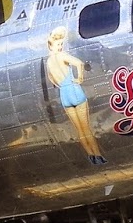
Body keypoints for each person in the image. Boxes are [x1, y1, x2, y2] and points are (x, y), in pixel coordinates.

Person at [45, 26, 106, 165]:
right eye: (58, 44)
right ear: (52, 45)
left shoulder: (48, 62)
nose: (60, 47)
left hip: (64, 94)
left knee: (79, 130)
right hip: (74, 90)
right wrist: (79, 79)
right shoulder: (62, 56)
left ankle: (91, 157)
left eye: (61, 44)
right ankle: (98, 156)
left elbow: (52, 79)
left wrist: (61, 85)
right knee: (86, 128)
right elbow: (79, 63)